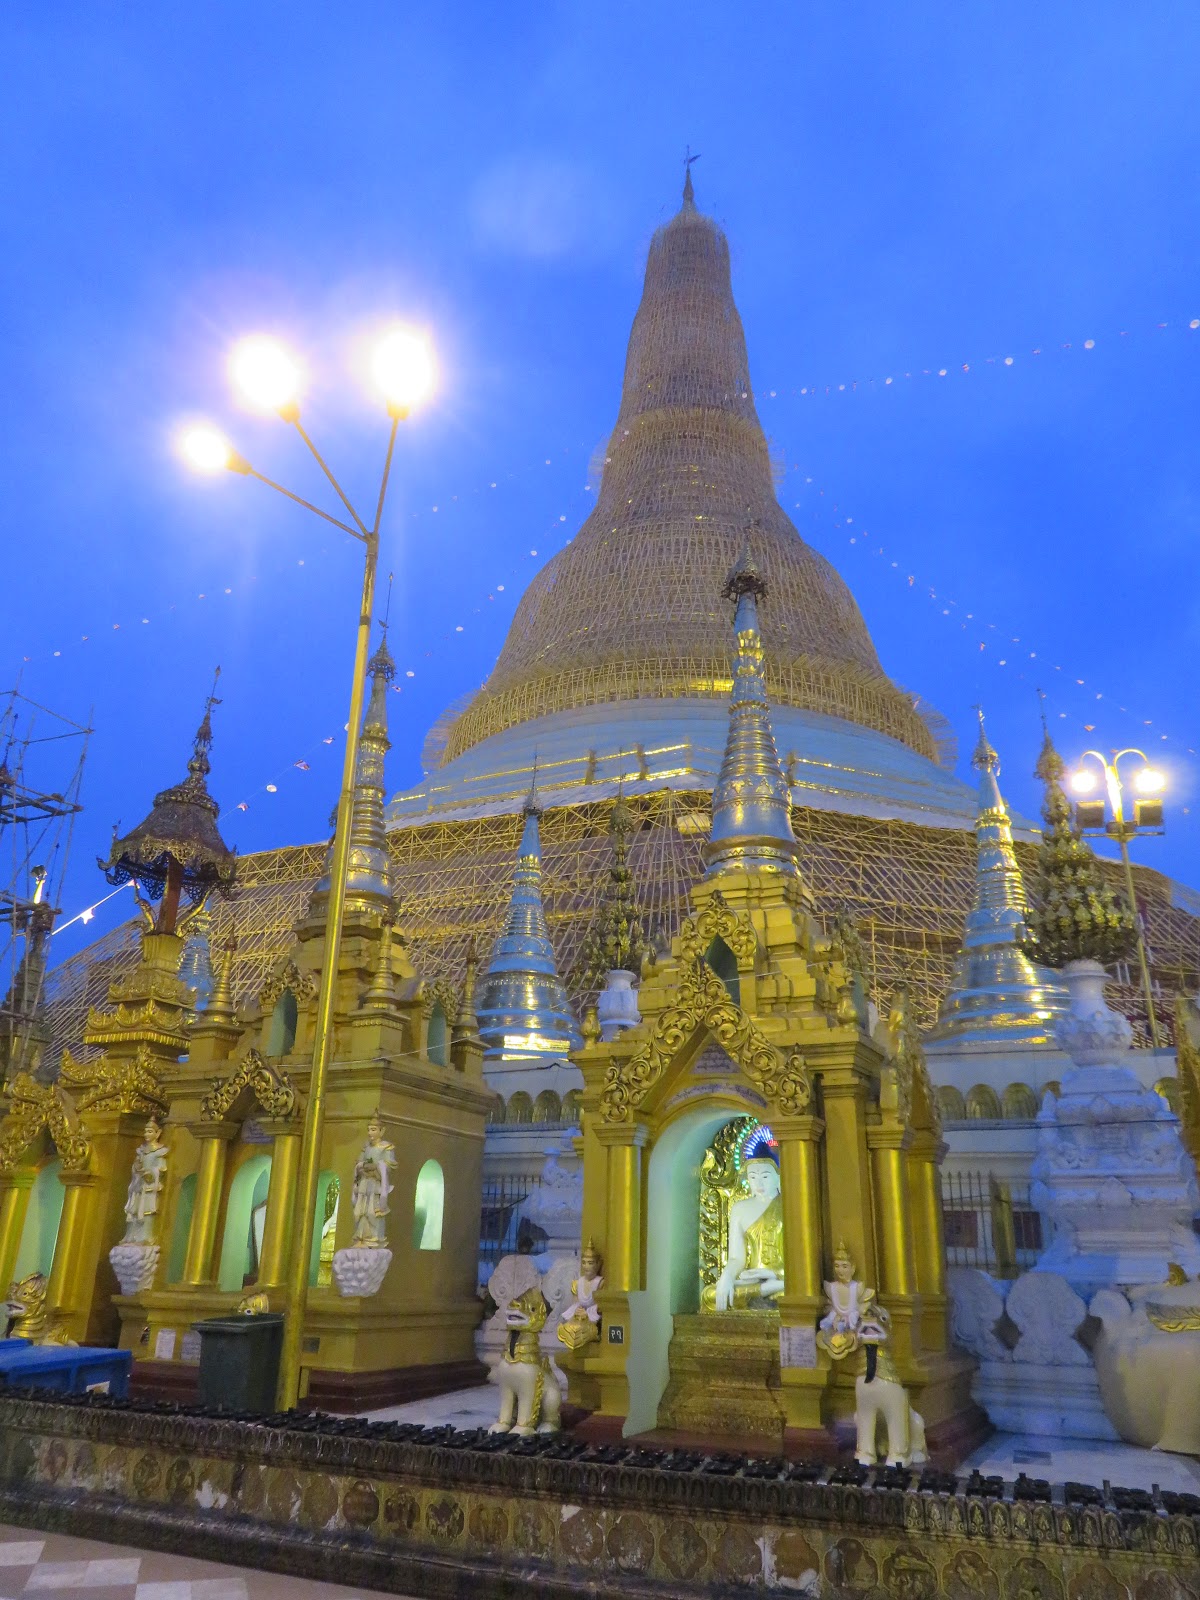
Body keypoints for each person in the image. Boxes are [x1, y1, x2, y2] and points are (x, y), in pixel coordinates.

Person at [714, 1156, 785, 1310]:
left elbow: (800, 1255)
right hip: (752, 1279)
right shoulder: (740, 1209)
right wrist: (727, 1277)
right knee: (712, 1295)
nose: (758, 1183)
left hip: (783, 1279)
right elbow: (736, 1258)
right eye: (752, 1177)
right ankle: (770, 1288)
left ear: (778, 1176)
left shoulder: (789, 1204)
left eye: (765, 1176)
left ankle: (778, 1284)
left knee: (795, 1291)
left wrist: (774, 1273)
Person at [351, 1112, 396, 1247]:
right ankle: (361, 1237)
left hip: (376, 1183)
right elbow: (359, 1163)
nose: (370, 1133)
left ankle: (375, 1237)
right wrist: (362, 1166)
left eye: (373, 1129)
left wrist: (377, 1167)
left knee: (373, 1212)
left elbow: (389, 1165)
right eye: (369, 1129)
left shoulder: (386, 1147)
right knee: (360, 1211)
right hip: (365, 1183)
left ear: (382, 1131)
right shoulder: (366, 1147)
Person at [121, 1117, 168, 1245]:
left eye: (150, 1132)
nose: (147, 1134)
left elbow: (161, 1169)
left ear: (157, 1133)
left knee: (148, 1210)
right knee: (134, 1210)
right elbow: (136, 1167)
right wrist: (136, 1169)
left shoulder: (160, 1151)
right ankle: (132, 1236)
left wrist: (151, 1173)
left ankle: (145, 1236)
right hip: (138, 1185)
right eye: (146, 1131)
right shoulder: (141, 1151)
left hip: (150, 1187)